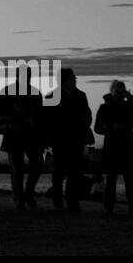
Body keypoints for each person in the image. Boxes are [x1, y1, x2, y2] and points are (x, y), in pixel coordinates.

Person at [0, 69, 45, 209]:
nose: (26, 77)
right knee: (17, 169)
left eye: (28, 75)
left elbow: (41, 115)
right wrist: (12, 109)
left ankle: (27, 192)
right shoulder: (8, 91)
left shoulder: (35, 92)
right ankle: (20, 197)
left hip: (31, 135)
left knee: (37, 165)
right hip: (14, 135)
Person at [95, 80, 133, 216]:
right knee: (113, 179)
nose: (119, 94)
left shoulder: (128, 105)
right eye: (117, 91)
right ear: (112, 91)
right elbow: (98, 128)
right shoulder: (105, 108)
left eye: (121, 91)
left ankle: (131, 207)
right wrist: (111, 128)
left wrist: (132, 99)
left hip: (126, 147)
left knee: (128, 179)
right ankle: (111, 206)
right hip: (114, 147)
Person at [47, 68, 92, 212]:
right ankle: (58, 196)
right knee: (60, 170)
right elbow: (46, 120)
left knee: (75, 171)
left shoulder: (81, 95)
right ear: (64, 80)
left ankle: (72, 200)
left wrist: (85, 121)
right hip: (60, 139)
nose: (75, 80)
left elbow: (87, 113)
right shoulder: (52, 97)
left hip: (77, 138)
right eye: (72, 78)